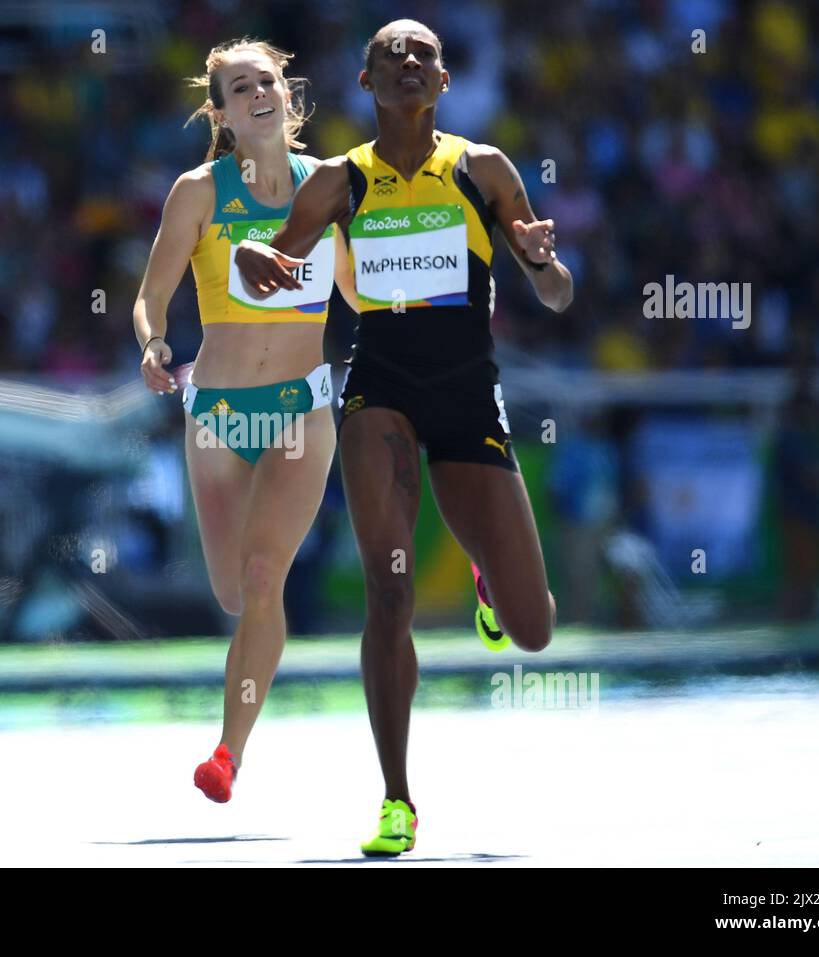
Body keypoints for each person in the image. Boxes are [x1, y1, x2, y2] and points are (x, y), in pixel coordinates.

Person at [234, 20, 570, 853]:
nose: (409, 63)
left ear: (445, 83)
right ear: (366, 80)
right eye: (393, 53)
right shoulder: (342, 183)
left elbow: (558, 293)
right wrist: (255, 263)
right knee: (392, 592)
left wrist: (538, 260)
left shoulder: (482, 169)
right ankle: (397, 798)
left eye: (424, 54)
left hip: (467, 396)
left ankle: (494, 584)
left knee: (534, 630)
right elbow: (269, 264)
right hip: (380, 388)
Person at [133, 39, 351, 802]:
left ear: (288, 95)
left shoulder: (331, 186)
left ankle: (228, 752)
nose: (258, 93)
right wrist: (154, 341)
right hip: (219, 412)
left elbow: (362, 292)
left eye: (268, 81)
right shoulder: (198, 191)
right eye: (240, 87)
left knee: (264, 578)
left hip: (300, 411)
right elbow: (150, 294)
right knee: (233, 591)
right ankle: (246, 687)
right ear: (220, 112)